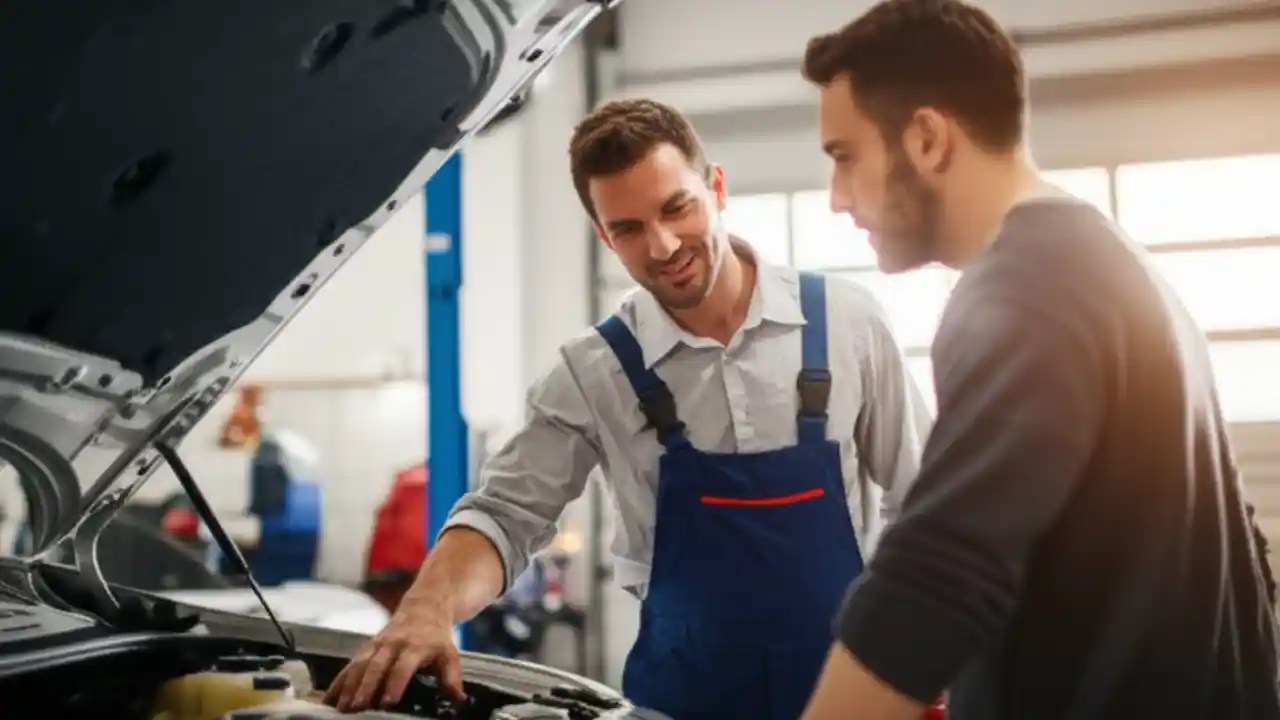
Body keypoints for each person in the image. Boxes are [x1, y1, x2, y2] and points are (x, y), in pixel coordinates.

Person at [324, 98, 931, 718]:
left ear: (716, 188)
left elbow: (927, 498)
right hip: (683, 703)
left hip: (849, 696)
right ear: (603, 235)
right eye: (629, 229)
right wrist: (425, 610)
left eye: (677, 207)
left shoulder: (847, 323)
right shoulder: (595, 371)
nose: (663, 246)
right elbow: (505, 514)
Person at [791, 1, 1280, 719]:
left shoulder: (1028, 288)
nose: (837, 199)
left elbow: (933, 579)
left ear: (926, 139)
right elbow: (1243, 553)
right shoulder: (1105, 264)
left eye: (844, 157)